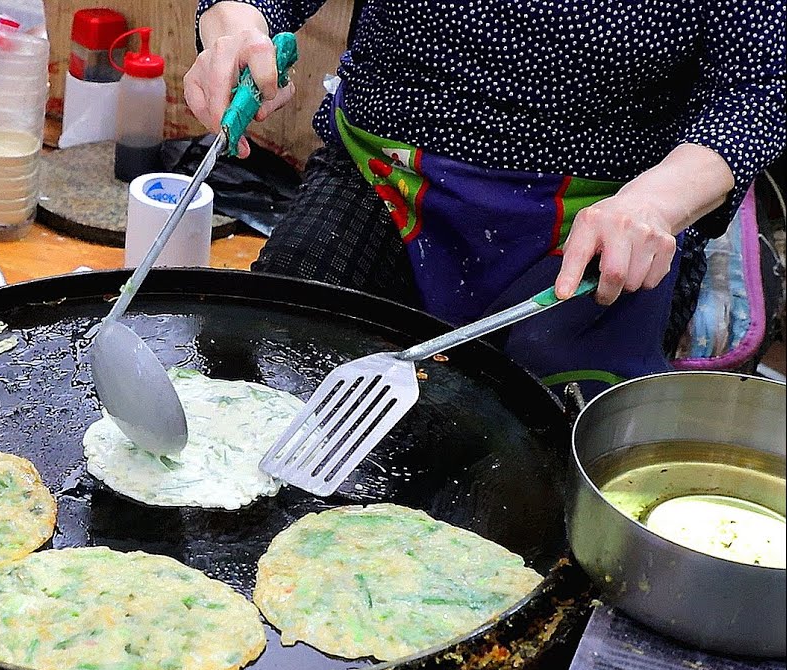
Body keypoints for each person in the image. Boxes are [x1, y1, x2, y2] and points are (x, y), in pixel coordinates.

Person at [184, 0, 786, 391]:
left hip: (603, 219)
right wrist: (234, 24)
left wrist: (657, 202)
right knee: (268, 361)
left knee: (537, 437)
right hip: (389, 180)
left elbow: (756, 93)